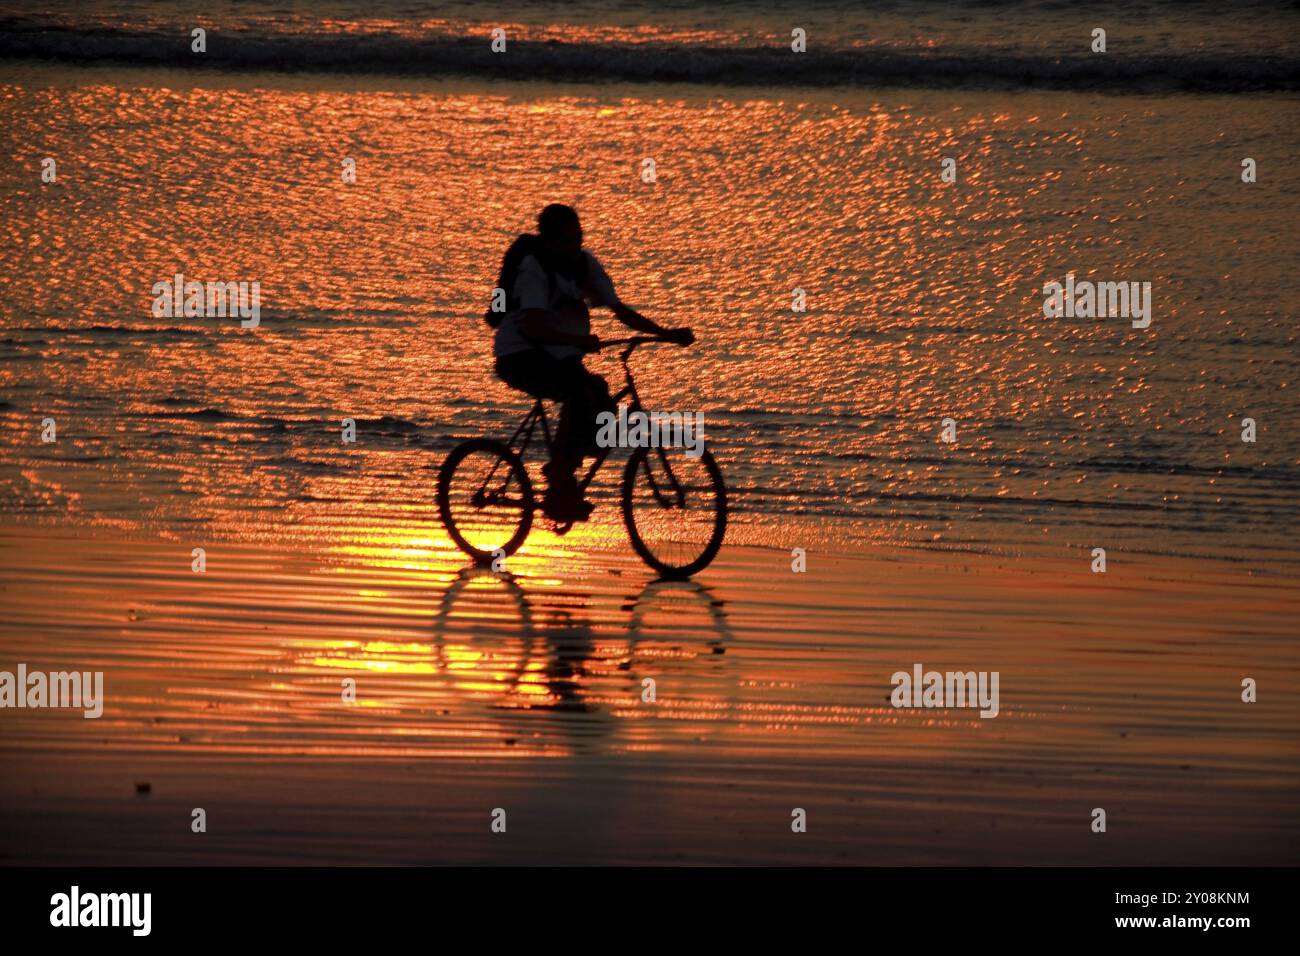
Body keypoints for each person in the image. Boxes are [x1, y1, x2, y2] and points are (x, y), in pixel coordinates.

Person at [488, 204, 693, 522]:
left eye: (578, 239)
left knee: (597, 392)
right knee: (577, 391)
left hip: (559, 356)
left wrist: (666, 334)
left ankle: (566, 471)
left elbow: (620, 311)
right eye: (567, 241)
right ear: (550, 242)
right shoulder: (534, 268)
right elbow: (533, 327)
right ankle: (559, 476)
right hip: (520, 355)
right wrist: (579, 341)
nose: (575, 247)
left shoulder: (584, 265)